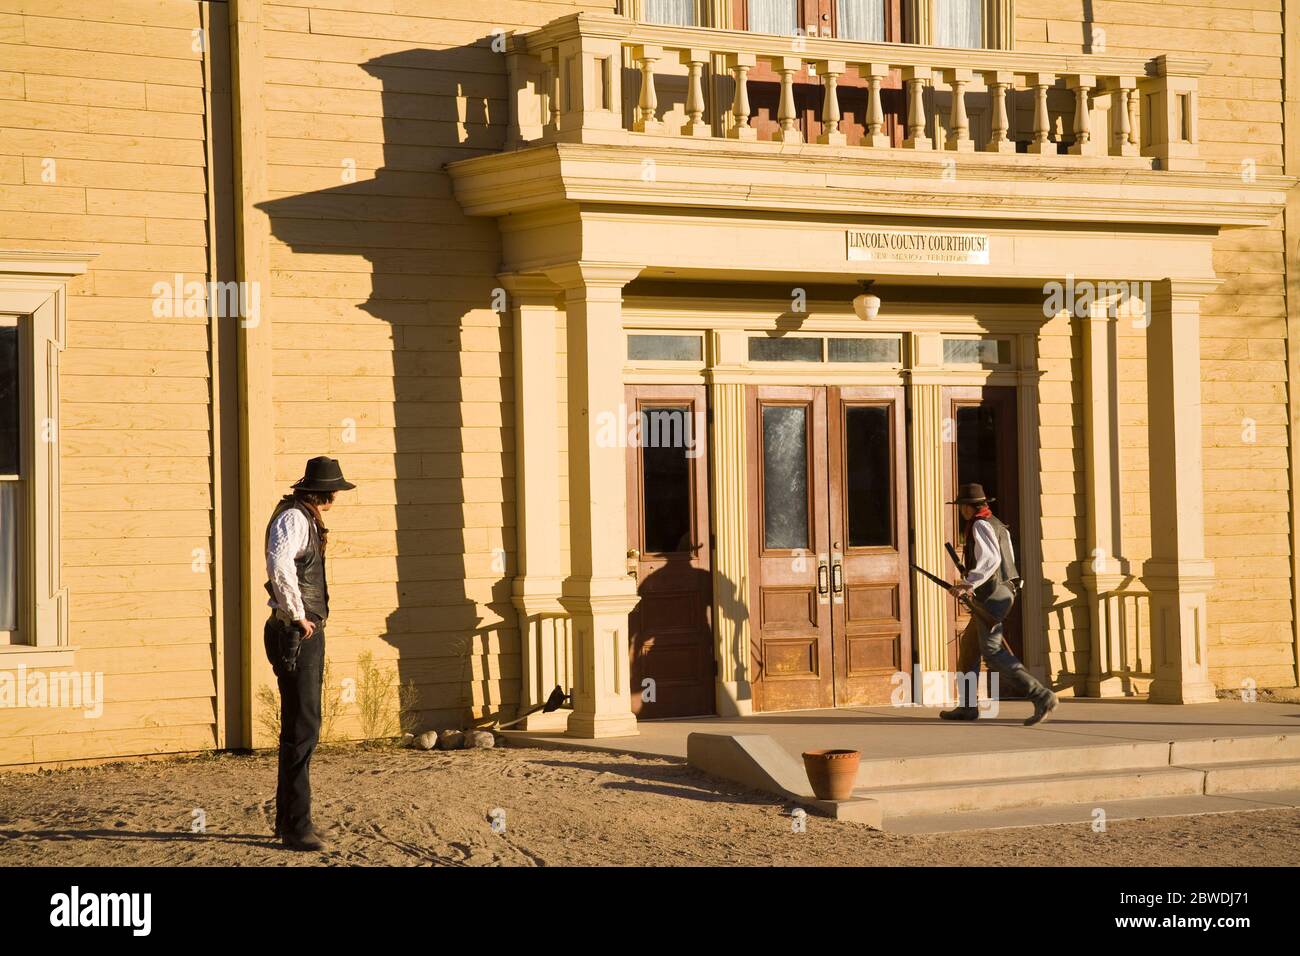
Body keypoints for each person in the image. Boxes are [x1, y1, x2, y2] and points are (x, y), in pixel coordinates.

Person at [264, 456, 355, 850]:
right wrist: (299, 616)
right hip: (296, 633)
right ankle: (297, 827)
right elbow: (279, 565)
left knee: (300, 730)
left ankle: (291, 821)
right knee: (303, 731)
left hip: (297, 632)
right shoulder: (296, 519)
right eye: (335, 490)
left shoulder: (301, 515)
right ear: (327, 493)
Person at [940, 483, 1058, 726]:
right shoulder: (995, 523)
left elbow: (991, 560)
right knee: (969, 649)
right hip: (1000, 592)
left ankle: (1042, 695)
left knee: (992, 652)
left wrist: (968, 583)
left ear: (966, 507)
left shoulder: (981, 524)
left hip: (993, 595)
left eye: (961, 506)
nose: (960, 511)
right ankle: (967, 707)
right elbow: (1007, 561)